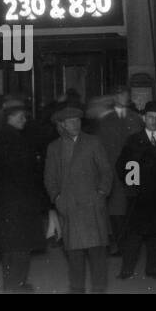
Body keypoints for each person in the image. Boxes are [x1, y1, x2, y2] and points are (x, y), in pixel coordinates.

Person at [44, 104, 112, 294]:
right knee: (74, 255)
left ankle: (99, 291)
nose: (75, 124)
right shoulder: (54, 147)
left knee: (97, 255)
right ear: (62, 125)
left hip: (92, 206)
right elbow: (49, 178)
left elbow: (106, 172)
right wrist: (57, 197)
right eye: (70, 121)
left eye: (77, 120)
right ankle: (77, 290)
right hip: (69, 208)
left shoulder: (93, 142)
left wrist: (101, 193)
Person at [0, 99, 46, 293]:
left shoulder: (8, 137)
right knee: (17, 246)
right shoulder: (9, 138)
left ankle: (16, 283)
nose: (25, 119)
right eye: (21, 116)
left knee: (17, 245)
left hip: (13, 201)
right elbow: (20, 170)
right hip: (18, 201)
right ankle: (14, 285)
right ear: (10, 117)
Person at [116, 100, 156, 281]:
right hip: (139, 196)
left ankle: (152, 268)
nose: (154, 121)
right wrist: (132, 187)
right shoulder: (134, 140)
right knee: (134, 235)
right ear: (144, 118)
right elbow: (124, 165)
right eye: (150, 117)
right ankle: (127, 269)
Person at [96, 88, 142, 254]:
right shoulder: (106, 120)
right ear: (114, 97)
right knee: (115, 207)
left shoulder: (135, 118)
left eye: (126, 95)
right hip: (112, 168)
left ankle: (128, 242)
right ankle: (118, 241)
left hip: (132, 168)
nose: (124, 97)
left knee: (130, 203)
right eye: (120, 94)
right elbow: (100, 147)